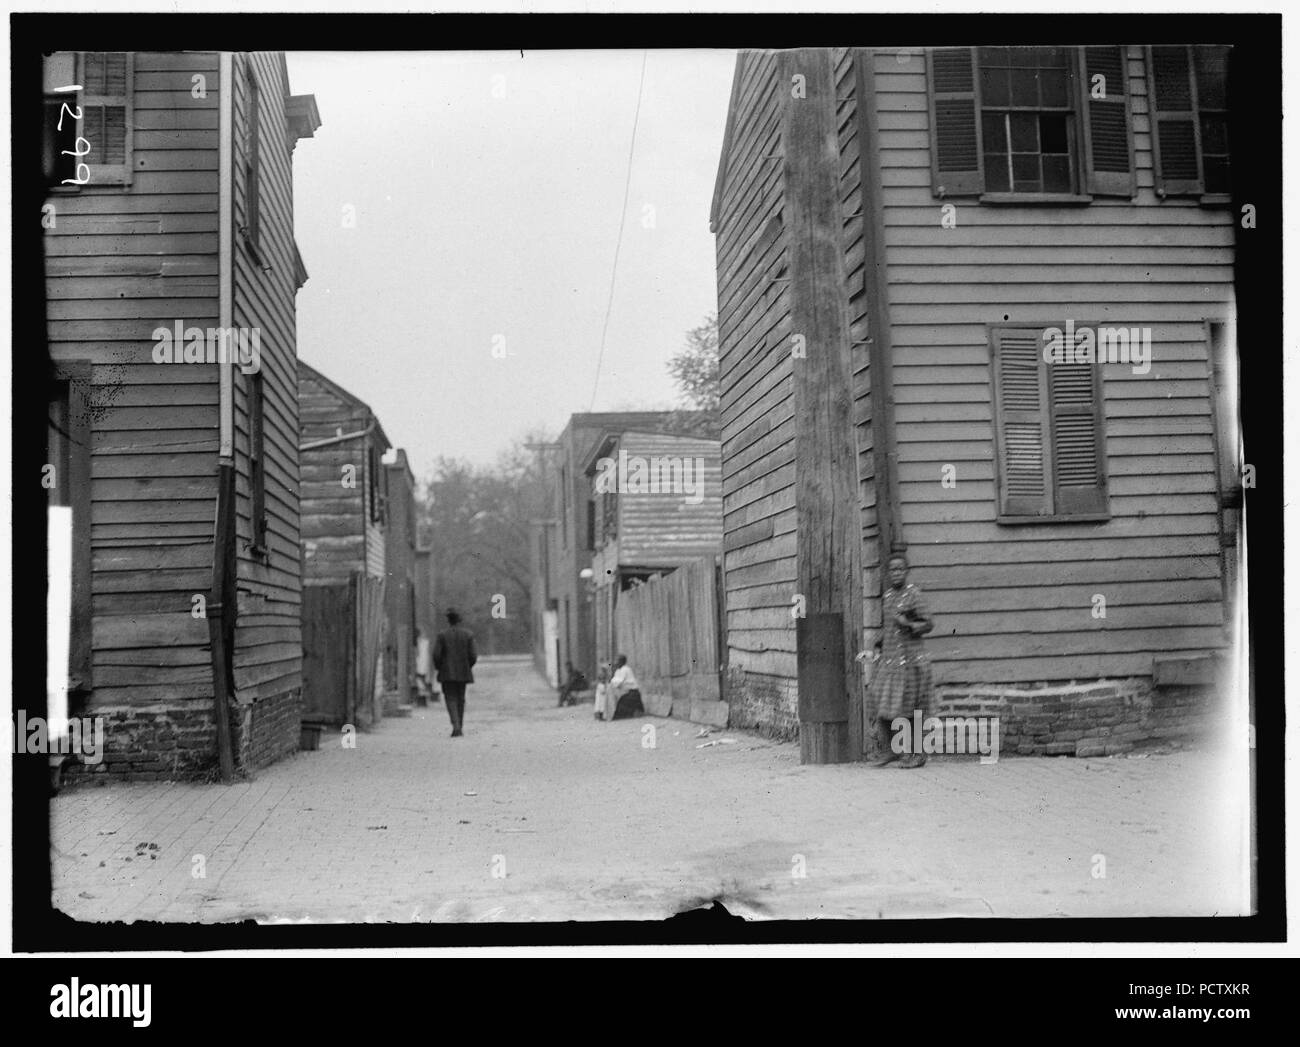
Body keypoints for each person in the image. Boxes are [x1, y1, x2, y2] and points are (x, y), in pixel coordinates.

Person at [867, 554, 935, 769]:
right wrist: (878, 642)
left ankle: (918, 754)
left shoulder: (914, 595)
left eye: (900, 569)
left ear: (906, 571)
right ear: (889, 573)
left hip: (911, 661)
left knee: (912, 708)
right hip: (890, 661)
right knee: (881, 703)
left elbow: (928, 624)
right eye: (892, 570)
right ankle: (889, 751)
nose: (896, 573)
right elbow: (888, 627)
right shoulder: (887, 597)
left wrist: (908, 622)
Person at [433, 607, 477, 737]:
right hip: (463, 672)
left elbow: (436, 655)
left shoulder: (442, 635)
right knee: (461, 698)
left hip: (447, 673)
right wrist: (467, 666)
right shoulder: (468, 635)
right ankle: (460, 726)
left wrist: (439, 667)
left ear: (449, 620)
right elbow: (473, 655)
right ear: (459, 620)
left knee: (450, 698)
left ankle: (455, 725)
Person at [609, 654, 644, 720]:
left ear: (622, 662)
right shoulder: (618, 670)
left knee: (621, 704)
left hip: (632, 692)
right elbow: (614, 680)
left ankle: (634, 712)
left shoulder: (625, 669)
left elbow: (619, 681)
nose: (615, 663)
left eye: (617, 661)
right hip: (626, 691)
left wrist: (612, 683)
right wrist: (612, 683)